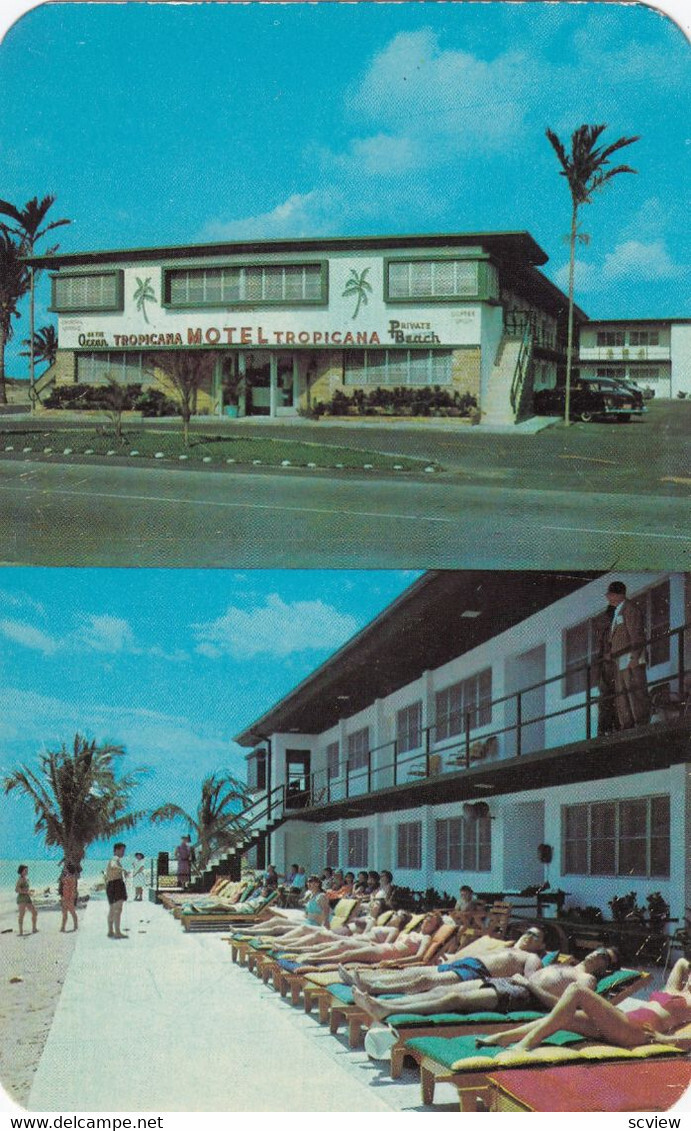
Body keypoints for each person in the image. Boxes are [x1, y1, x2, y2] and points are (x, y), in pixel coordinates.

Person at [353, 946, 619, 1023]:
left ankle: (389, 1010)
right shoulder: (566, 964)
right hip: (510, 983)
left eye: (604, 956)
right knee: (441, 990)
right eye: (599, 950)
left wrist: (528, 985)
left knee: (454, 1001)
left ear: (605, 967)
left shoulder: (588, 980)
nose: (597, 953)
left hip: (524, 996)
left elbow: (566, 1008)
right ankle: (384, 1003)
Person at [482, 957, 691, 1052]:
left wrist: (665, 1038)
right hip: (622, 1022)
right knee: (565, 1017)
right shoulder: (673, 990)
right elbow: (681, 962)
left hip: (633, 1030)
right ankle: (505, 1037)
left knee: (577, 990)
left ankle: (525, 1044)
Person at [342, 926, 546, 994]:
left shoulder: (532, 957)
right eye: (528, 931)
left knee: (423, 982)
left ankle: (375, 988)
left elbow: (531, 980)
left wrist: (518, 978)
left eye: (535, 936)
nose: (529, 935)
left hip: (478, 974)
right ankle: (363, 980)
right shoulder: (506, 945)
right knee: (411, 972)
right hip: (465, 964)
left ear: (540, 946)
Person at [605, 580, 651, 730]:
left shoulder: (630, 609)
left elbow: (636, 634)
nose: (608, 598)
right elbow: (619, 637)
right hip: (620, 659)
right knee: (622, 694)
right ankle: (627, 725)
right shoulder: (618, 611)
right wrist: (611, 653)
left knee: (634, 690)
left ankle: (641, 723)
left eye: (610, 594)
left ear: (619, 594)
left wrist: (635, 657)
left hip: (630, 656)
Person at [105, 842, 128, 939]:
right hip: (117, 884)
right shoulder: (115, 858)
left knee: (112, 909)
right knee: (118, 909)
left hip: (110, 884)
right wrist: (123, 870)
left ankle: (110, 930)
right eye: (122, 850)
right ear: (117, 850)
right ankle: (117, 932)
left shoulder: (113, 859)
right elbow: (114, 866)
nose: (123, 852)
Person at [15, 865, 38, 936]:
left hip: (27, 898)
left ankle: (34, 928)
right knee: (22, 915)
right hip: (22, 899)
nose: (27, 872)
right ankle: (21, 932)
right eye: (25, 870)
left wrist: (29, 891)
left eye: (27, 870)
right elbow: (16, 890)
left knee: (34, 912)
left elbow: (25, 888)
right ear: (21, 871)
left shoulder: (26, 878)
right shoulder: (20, 879)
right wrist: (26, 892)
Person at [59, 862, 78, 932]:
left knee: (72, 912)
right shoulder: (67, 876)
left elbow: (72, 889)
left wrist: (71, 897)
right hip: (65, 896)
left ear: (68, 869)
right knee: (64, 913)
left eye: (66, 868)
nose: (65, 869)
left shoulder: (72, 878)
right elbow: (62, 882)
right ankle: (63, 927)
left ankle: (75, 926)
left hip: (69, 897)